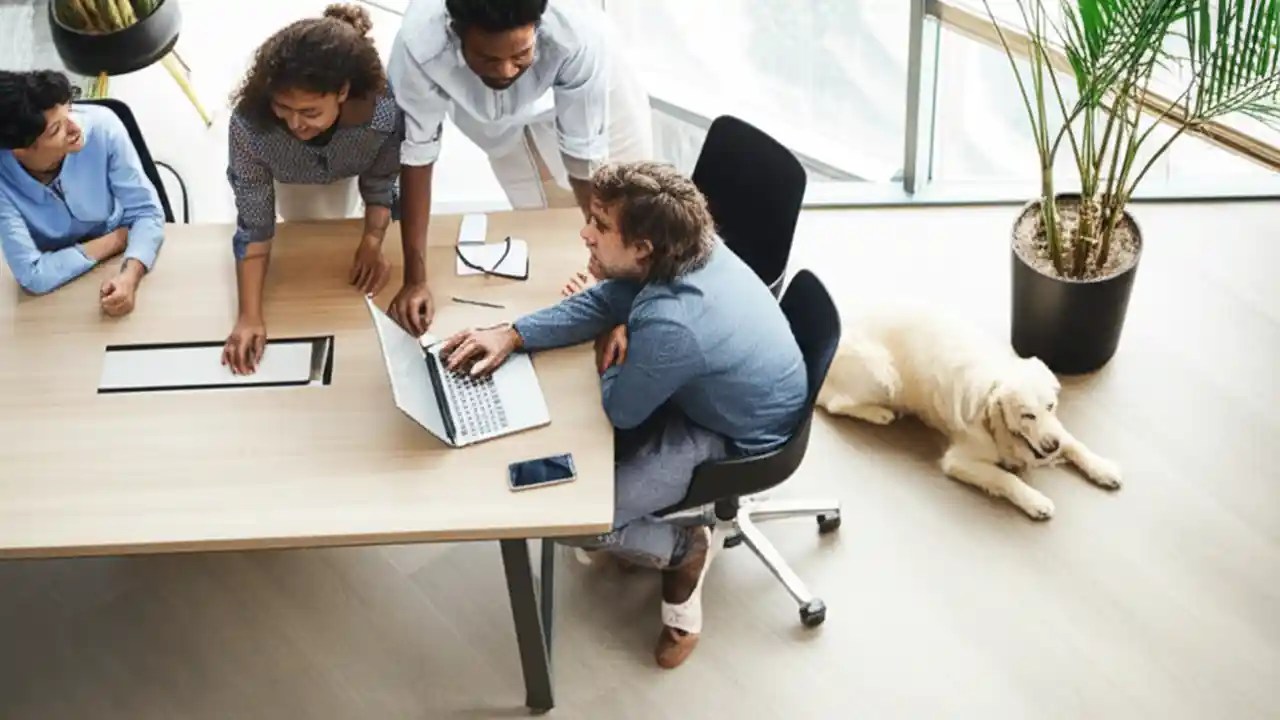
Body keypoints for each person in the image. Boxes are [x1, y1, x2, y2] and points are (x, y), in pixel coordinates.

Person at [440, 161, 808, 669]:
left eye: (600, 225)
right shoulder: (694, 248)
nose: (584, 234)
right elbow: (610, 299)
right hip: (741, 385)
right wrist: (514, 334)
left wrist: (612, 344)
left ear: (643, 249)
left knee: (576, 519)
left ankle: (684, 552)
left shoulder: (672, 324)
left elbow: (622, 410)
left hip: (736, 435)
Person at [383, 0, 654, 337]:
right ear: (457, 34)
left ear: (538, 28)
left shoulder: (578, 33)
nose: (506, 71)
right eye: (489, 58)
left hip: (588, 91)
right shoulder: (418, 44)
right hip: (495, 122)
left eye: (520, 55)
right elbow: (416, 155)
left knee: (631, 211)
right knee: (542, 220)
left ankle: (631, 305)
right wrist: (415, 280)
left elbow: (584, 155)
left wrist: (609, 277)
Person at [223, 3, 406, 374]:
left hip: (353, 172)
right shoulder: (248, 127)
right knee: (304, 231)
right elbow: (254, 224)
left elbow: (381, 181)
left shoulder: (383, 111)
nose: (295, 124)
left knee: (341, 225)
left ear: (342, 92)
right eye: (283, 108)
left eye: (309, 112)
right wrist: (249, 316)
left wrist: (372, 239)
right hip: (289, 180)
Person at [0, 69, 165, 314]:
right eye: (56, 130)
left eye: (70, 110)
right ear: (19, 150)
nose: (75, 129)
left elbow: (147, 213)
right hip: (60, 288)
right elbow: (33, 275)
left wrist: (129, 277)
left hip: (111, 262)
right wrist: (116, 240)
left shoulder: (102, 127)